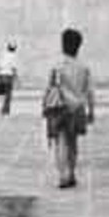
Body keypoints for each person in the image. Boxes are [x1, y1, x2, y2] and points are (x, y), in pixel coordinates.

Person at [40, 28, 94, 189]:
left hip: (59, 107)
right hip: (77, 107)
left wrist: (44, 104)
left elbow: (49, 87)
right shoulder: (84, 66)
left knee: (60, 141)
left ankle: (62, 174)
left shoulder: (57, 65)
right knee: (73, 142)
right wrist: (91, 110)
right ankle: (71, 172)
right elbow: (89, 90)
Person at [0, 40, 19, 115]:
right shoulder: (13, 56)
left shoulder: (3, 55)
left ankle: (3, 109)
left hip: (1, 74)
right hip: (8, 75)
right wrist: (16, 78)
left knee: (3, 93)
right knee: (8, 94)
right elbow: (14, 68)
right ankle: (5, 110)